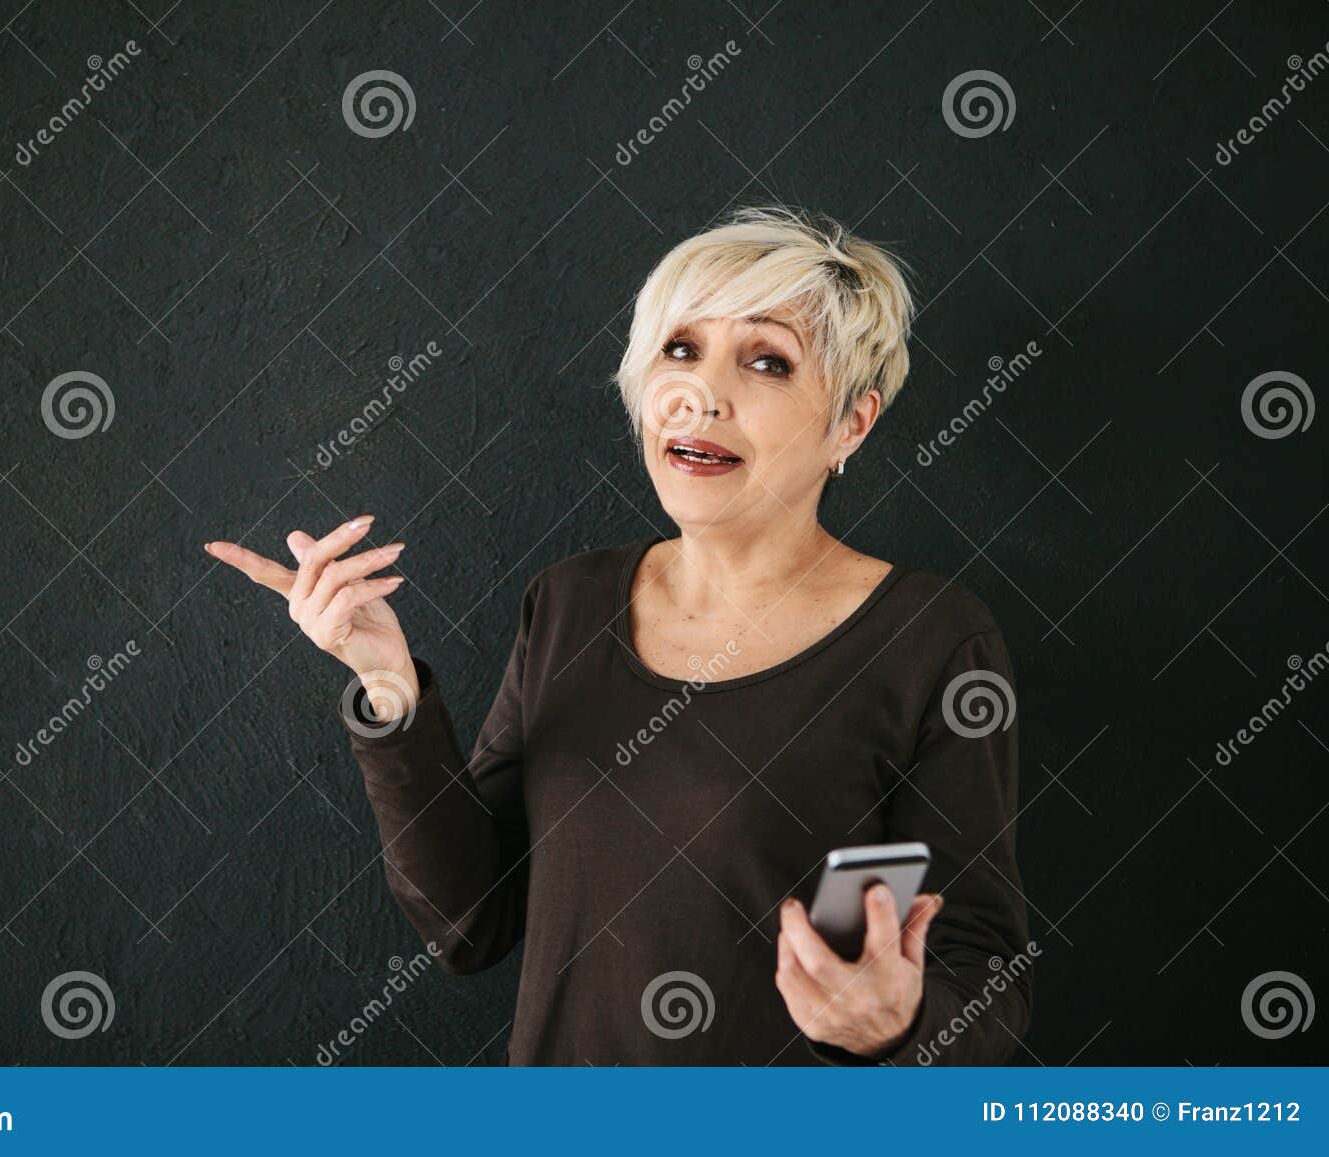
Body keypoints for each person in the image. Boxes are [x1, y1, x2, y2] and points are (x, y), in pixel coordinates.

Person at [207, 205, 1032, 1065]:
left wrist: (895, 1026)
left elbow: (986, 984)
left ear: (851, 425)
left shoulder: (932, 643)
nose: (700, 394)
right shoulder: (569, 602)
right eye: (680, 350)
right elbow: (470, 922)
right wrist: (389, 692)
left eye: (766, 360)